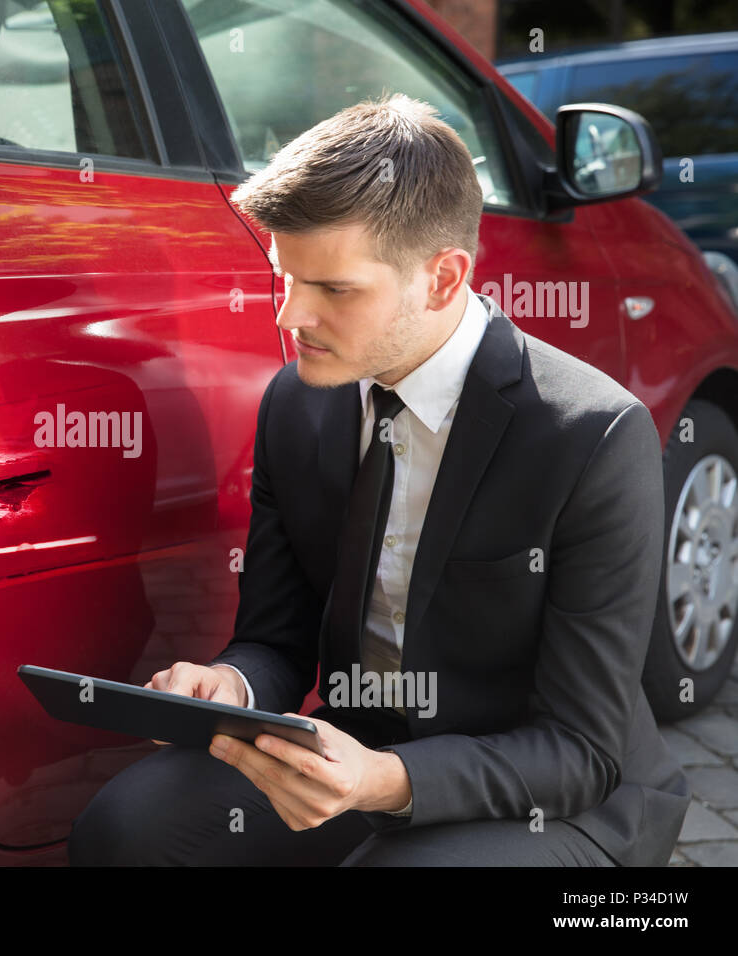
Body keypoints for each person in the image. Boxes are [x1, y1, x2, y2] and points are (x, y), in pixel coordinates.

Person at [67, 93, 691, 867]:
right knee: (124, 830)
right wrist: (230, 684)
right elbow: (275, 641)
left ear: (443, 277)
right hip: (355, 747)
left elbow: (579, 750)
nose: (290, 317)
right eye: (284, 277)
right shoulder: (297, 404)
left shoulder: (590, 433)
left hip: (556, 796)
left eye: (334, 289)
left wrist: (383, 780)